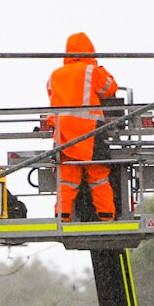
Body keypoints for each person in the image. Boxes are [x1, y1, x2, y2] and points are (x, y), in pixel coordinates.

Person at [44, 32, 121, 222]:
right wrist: (98, 68)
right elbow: (110, 88)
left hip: (63, 136)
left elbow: (51, 95)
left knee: (67, 179)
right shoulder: (90, 71)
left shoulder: (55, 75)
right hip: (90, 133)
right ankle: (106, 216)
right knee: (99, 176)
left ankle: (62, 217)